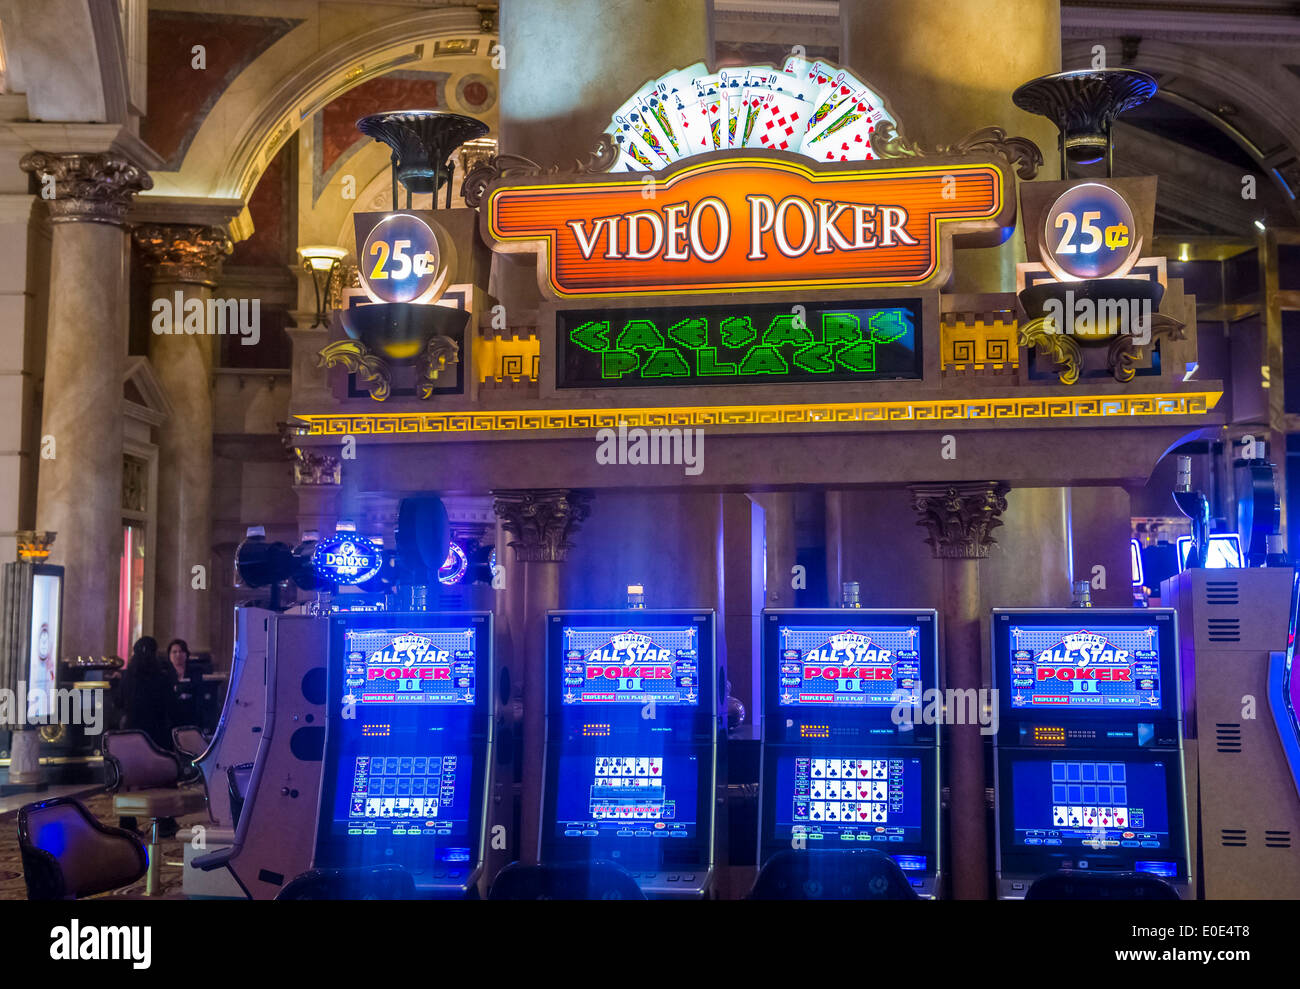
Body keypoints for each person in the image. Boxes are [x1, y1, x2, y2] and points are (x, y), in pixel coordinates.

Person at [118, 636, 179, 837]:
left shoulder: (126, 677)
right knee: (165, 775)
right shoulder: (161, 677)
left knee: (128, 780)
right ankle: (166, 821)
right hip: (156, 737)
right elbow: (171, 706)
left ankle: (127, 823)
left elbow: (118, 703)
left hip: (130, 738)